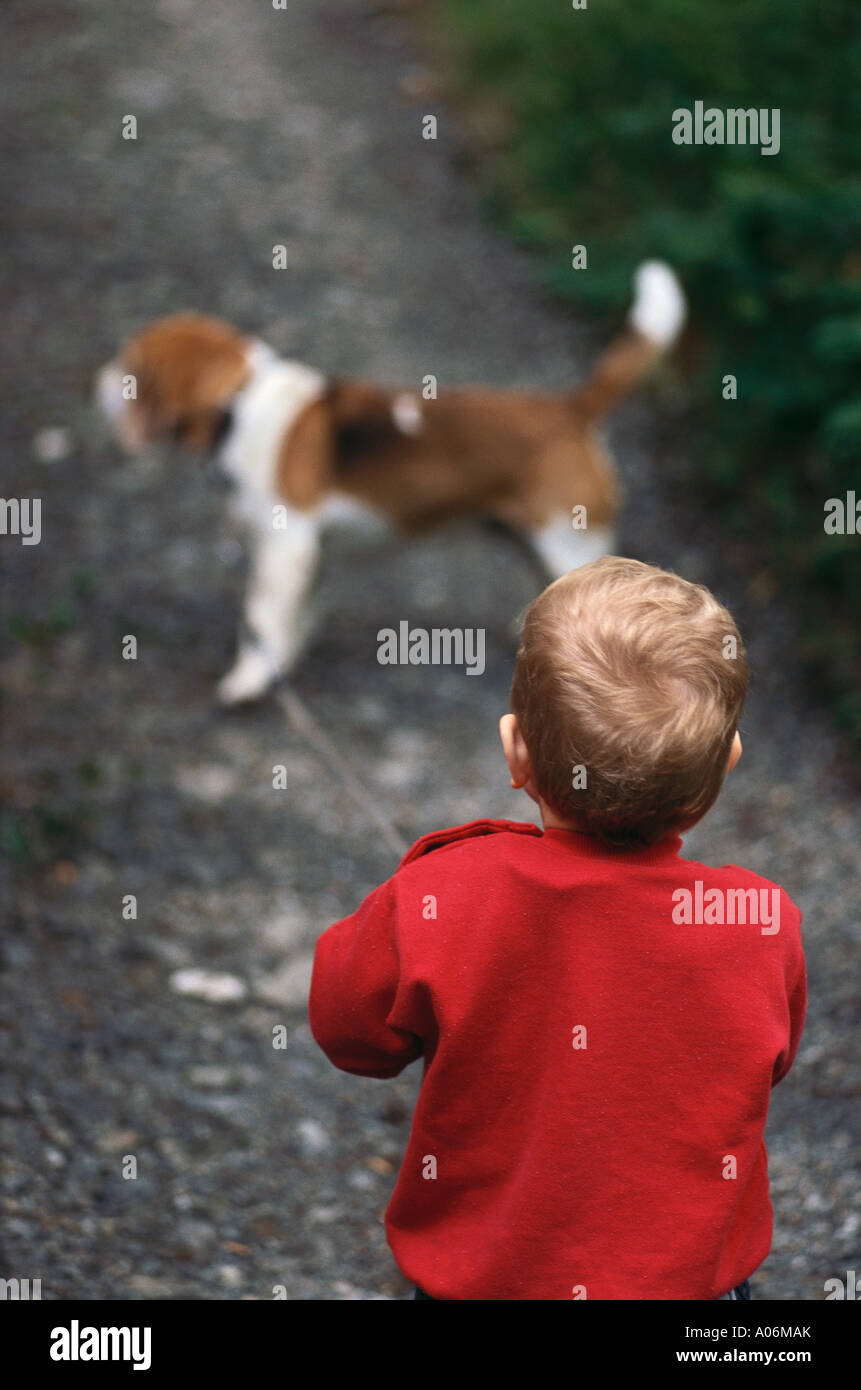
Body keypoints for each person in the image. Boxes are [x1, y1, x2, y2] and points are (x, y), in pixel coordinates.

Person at [309, 557, 807, 1300]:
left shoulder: (442, 896)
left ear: (515, 752)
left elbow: (346, 1030)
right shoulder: (760, 921)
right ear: (725, 766)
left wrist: (432, 879)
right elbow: (768, 1060)